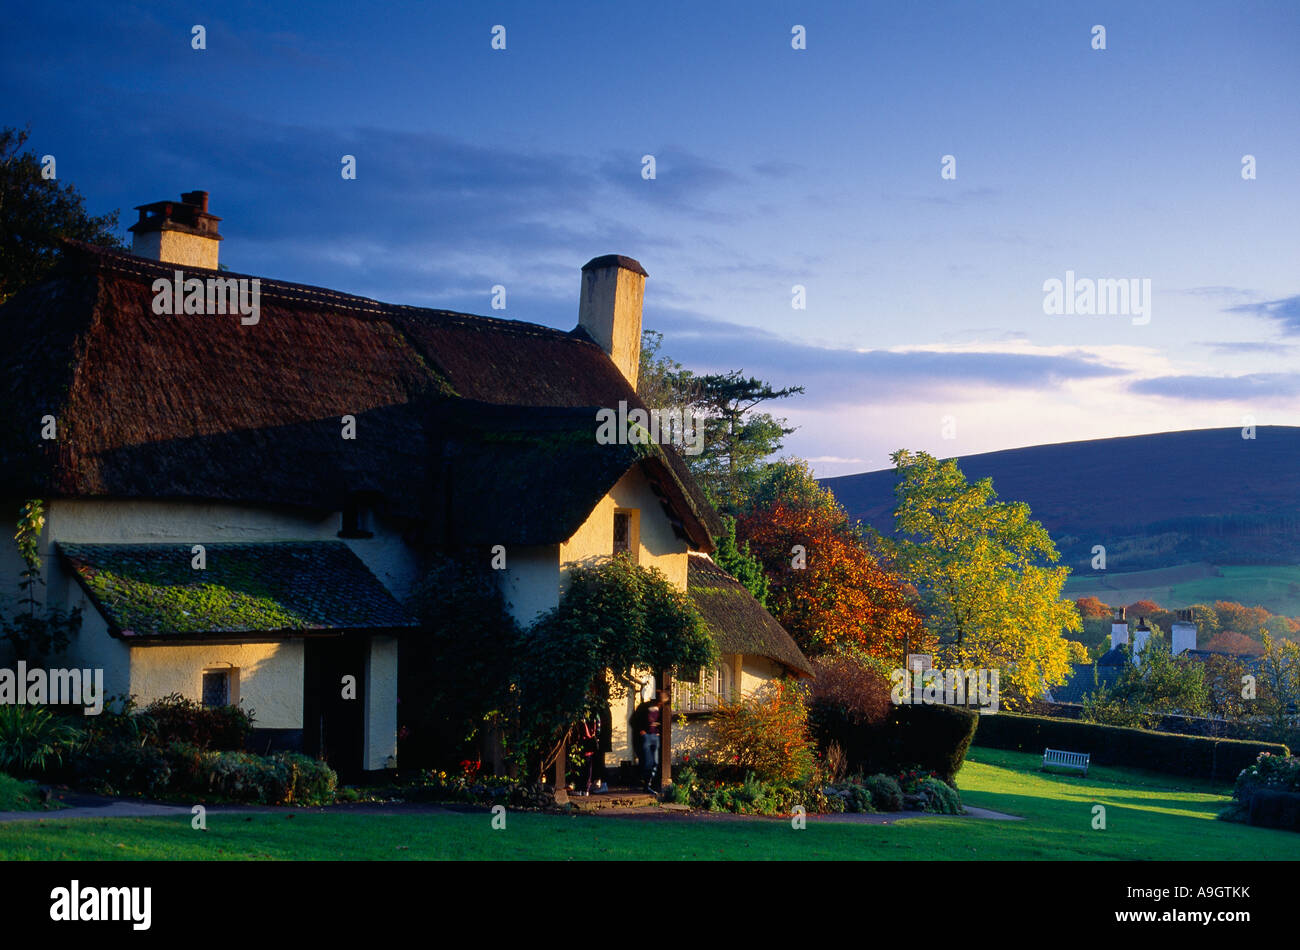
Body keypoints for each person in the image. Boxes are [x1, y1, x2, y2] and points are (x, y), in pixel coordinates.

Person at [629, 690, 668, 793]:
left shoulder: (661, 709)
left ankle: (649, 784)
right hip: (646, 737)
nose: (660, 704)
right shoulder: (644, 707)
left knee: (655, 762)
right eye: (660, 702)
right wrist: (641, 731)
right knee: (647, 762)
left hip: (655, 737)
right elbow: (633, 721)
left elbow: (662, 721)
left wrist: (658, 732)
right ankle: (646, 784)